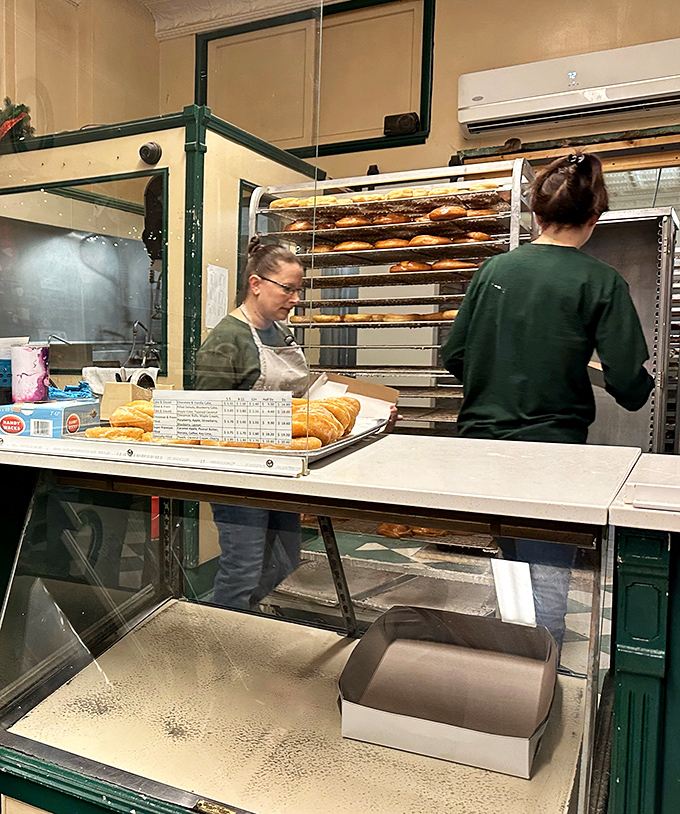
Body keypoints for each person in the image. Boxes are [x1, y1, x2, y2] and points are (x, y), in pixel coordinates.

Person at [441, 152, 653, 653]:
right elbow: (627, 382)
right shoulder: (600, 281)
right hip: (551, 454)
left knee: (500, 564)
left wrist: (502, 378)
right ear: (594, 219)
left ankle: (498, 665)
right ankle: (539, 676)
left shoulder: (494, 269)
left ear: (534, 214)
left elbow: (455, 353)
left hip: (479, 448)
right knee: (547, 571)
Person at [195, 237, 308, 609]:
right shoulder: (227, 339)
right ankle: (226, 637)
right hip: (240, 474)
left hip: (281, 468)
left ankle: (254, 624)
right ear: (256, 284)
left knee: (286, 560)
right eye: (288, 290)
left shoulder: (282, 332)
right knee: (242, 566)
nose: (294, 299)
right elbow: (204, 419)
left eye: (298, 290)